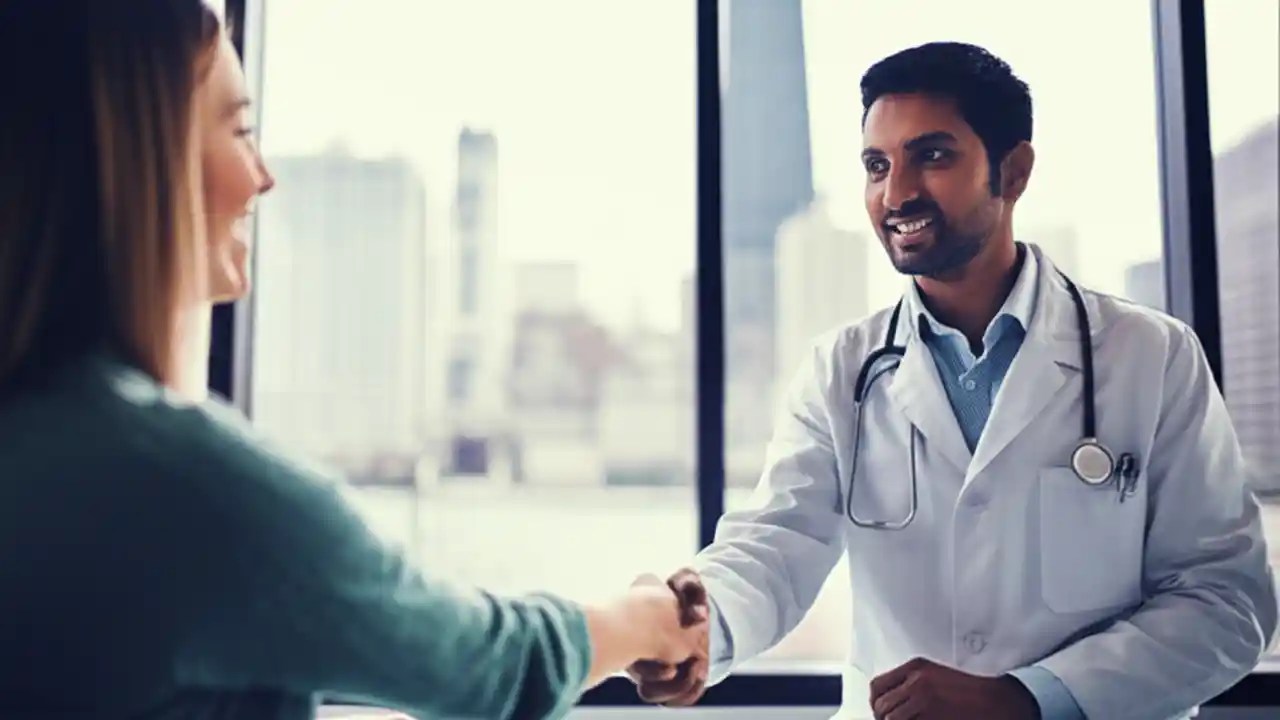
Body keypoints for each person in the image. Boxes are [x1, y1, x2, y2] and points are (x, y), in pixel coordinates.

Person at [0, 2, 708, 719]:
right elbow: (484, 667)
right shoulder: (178, 490)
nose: (262, 177)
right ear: (140, 160)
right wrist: (645, 620)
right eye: (242, 131)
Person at [628, 42, 1279, 720]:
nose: (897, 193)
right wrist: (700, 627)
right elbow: (774, 550)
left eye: (932, 156)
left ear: (1014, 171)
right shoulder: (841, 370)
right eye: (877, 165)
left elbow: (1224, 604)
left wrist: (1028, 698)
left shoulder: (1151, 356)